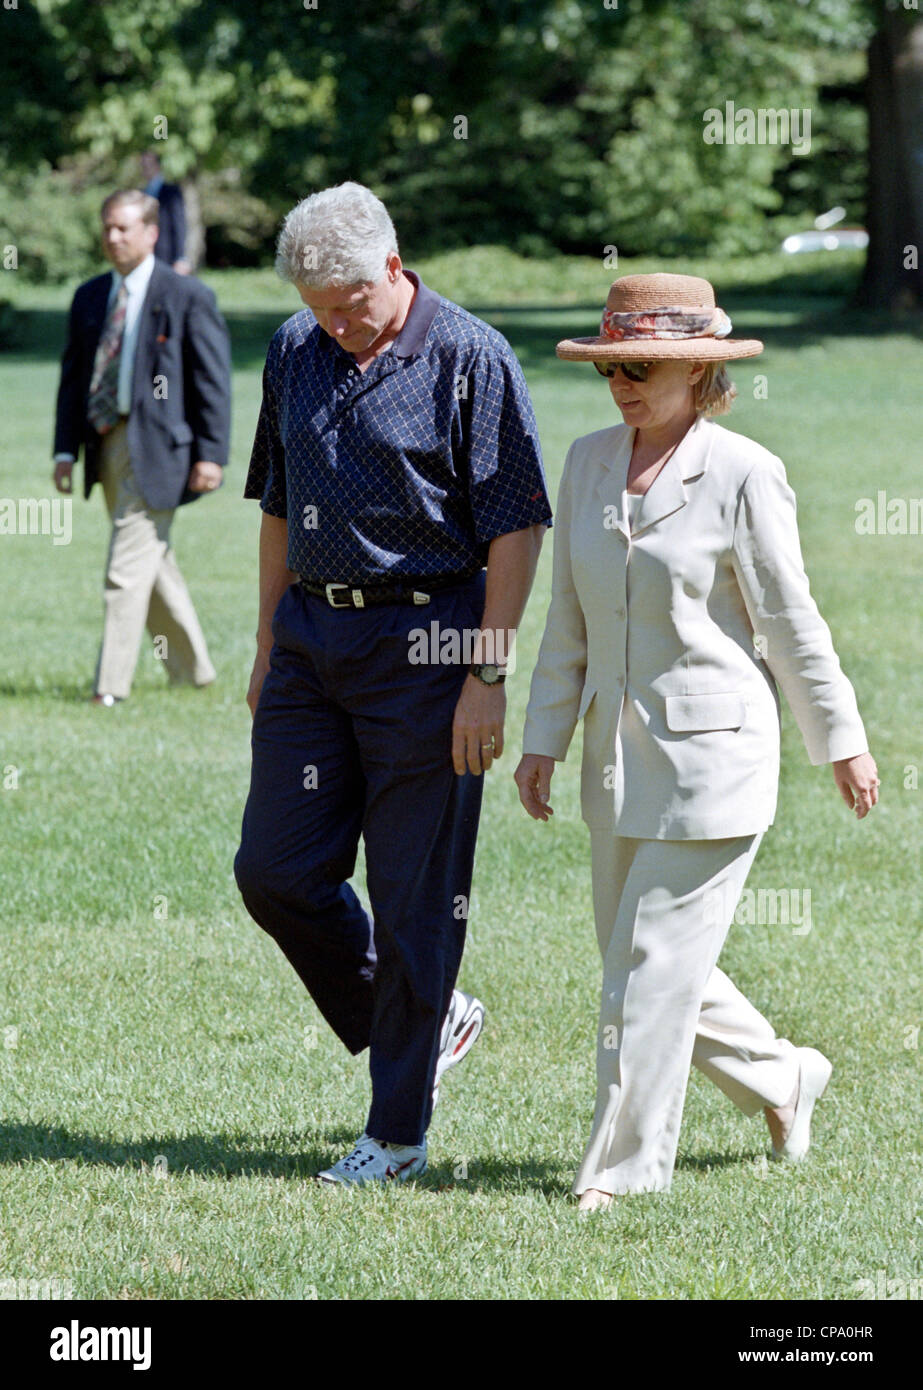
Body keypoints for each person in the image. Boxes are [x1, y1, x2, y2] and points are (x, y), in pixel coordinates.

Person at [514, 273, 878, 1209]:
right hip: (612, 761)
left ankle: (623, 1177)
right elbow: (567, 618)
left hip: (717, 762)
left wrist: (839, 739)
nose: (622, 384)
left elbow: (790, 622)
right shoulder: (589, 461)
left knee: (645, 974)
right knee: (647, 964)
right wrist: (543, 737)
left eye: (642, 366)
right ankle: (783, 1078)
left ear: (699, 369)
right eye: (610, 368)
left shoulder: (744, 471)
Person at [233, 182, 551, 1186]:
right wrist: (263, 640)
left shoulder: (472, 358)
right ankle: (430, 1015)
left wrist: (486, 673)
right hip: (309, 645)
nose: (333, 321)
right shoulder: (294, 349)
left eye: (348, 303)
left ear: (392, 266)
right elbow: (278, 503)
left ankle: (397, 1133)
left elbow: (513, 524)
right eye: (316, 304)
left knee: (414, 898)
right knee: (274, 871)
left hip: (428, 646)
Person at [53, 189, 231, 704]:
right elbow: (72, 379)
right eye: (107, 227)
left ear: (151, 233)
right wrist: (65, 451)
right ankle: (193, 672)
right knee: (150, 563)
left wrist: (211, 454)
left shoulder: (186, 295)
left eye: (124, 228)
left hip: (163, 451)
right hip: (106, 442)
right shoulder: (89, 296)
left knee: (125, 564)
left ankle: (109, 689)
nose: (112, 237)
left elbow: (212, 381)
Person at [140, 151, 191, 274]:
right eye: (143, 166)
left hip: (167, 256)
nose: (145, 169)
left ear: (157, 166)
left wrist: (180, 257)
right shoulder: (141, 194)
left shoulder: (172, 192)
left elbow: (179, 225)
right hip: (145, 254)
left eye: (148, 165)